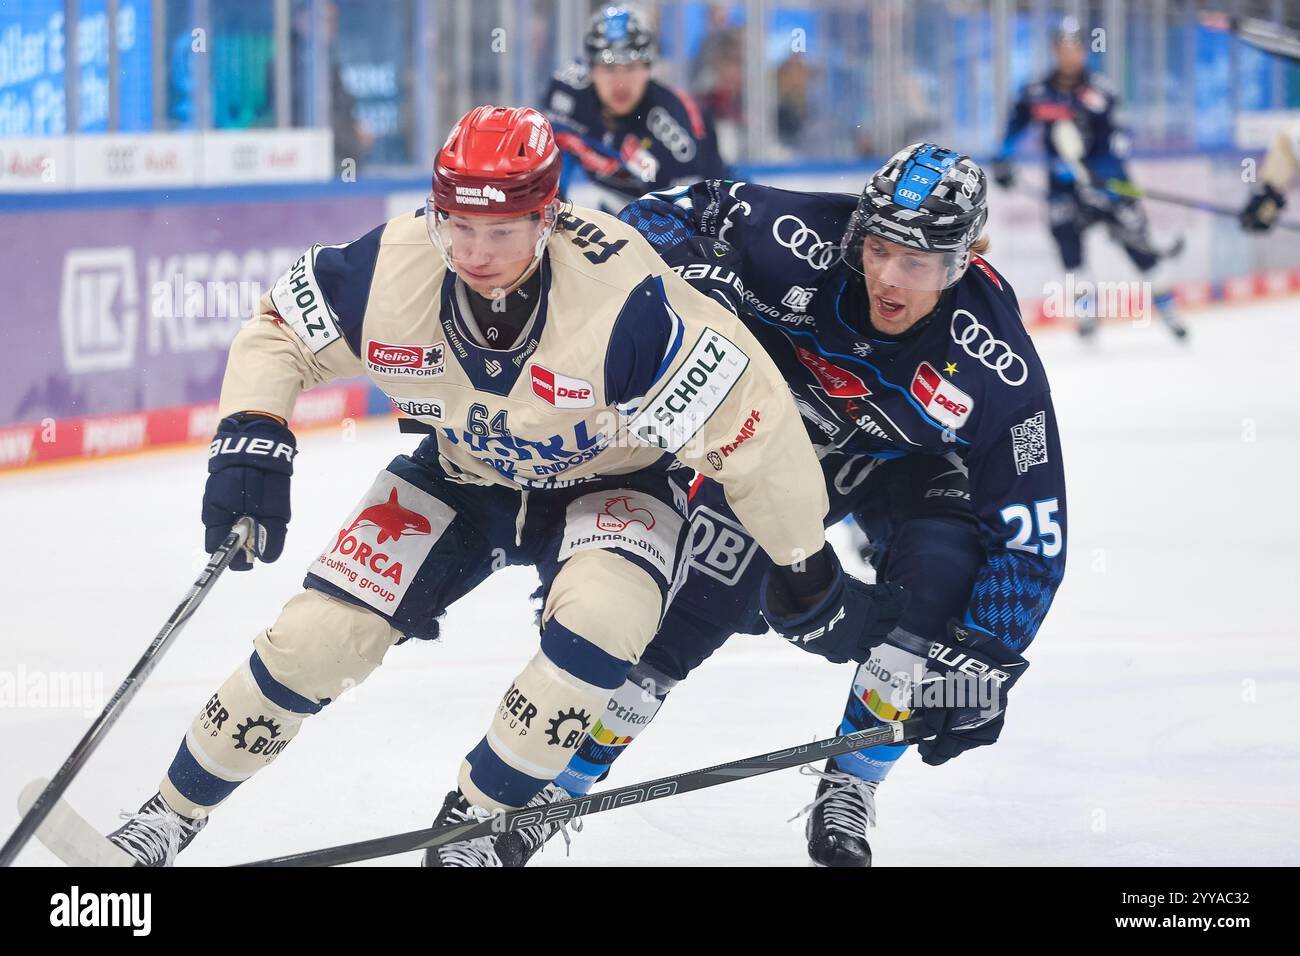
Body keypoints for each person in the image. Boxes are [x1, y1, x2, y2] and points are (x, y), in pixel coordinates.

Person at [101, 106, 905, 867]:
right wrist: (253, 435)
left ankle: (477, 817)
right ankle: (166, 815)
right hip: (462, 473)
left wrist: (800, 555)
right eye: (459, 226)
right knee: (314, 640)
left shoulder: (628, 306)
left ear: (547, 218)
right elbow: (279, 328)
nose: (475, 252)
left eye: (502, 231)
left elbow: (751, 426)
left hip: (611, 483)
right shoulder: (391, 267)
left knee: (605, 625)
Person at [549, 144, 1068, 866]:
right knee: (688, 608)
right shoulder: (794, 233)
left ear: (962, 263)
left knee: (943, 578)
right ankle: (553, 787)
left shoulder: (999, 361)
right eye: (878, 248)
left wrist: (984, 657)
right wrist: (696, 258)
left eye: (916, 264)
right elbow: (650, 217)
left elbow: (1034, 540)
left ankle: (851, 783)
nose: (887, 277)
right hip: (776, 445)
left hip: (905, 462)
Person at [991, 17, 1187, 341]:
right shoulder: (1036, 92)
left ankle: (1169, 310)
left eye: (1076, 48)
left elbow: (1118, 139)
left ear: (1084, 51)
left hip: (1106, 184)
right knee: (1069, 250)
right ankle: (1086, 313)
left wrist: (1104, 177)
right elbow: (1013, 129)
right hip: (1062, 187)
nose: (1069, 55)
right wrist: (1003, 159)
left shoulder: (1101, 91)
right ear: (1056, 51)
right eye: (1063, 48)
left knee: (1139, 248)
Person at [543, 4, 730, 213]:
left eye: (631, 68)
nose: (621, 83)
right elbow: (550, 157)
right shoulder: (566, 89)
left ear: (649, 69)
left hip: (678, 199)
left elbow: (695, 212)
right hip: (613, 193)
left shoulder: (675, 131)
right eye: (609, 68)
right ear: (591, 69)